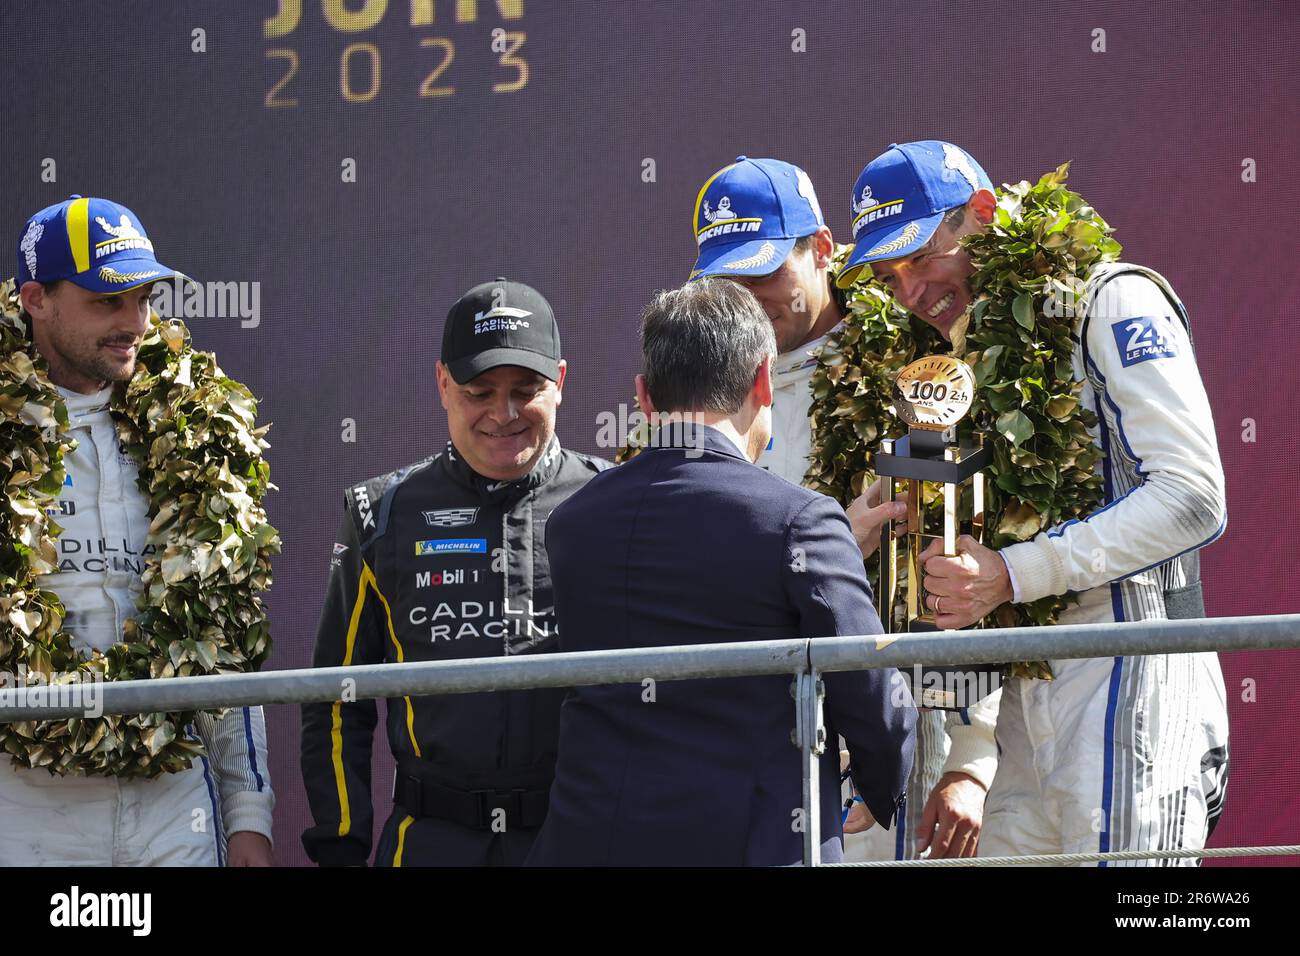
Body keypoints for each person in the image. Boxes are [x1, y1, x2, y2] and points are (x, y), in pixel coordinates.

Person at [837, 140, 1229, 864]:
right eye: (890, 277)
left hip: (1132, 665)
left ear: (983, 214)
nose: (910, 292)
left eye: (920, 257)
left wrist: (1015, 573)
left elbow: (1193, 496)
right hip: (1019, 694)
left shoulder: (1108, 300)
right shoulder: (952, 365)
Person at [526, 278, 915, 866]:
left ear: (644, 396)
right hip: (752, 845)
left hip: (589, 843)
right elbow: (870, 693)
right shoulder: (803, 521)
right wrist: (882, 783)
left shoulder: (572, 523)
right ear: (764, 380)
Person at [686, 155, 998, 860]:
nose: (746, 300)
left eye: (764, 272)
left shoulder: (915, 370)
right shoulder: (699, 390)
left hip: (895, 736)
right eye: (726, 280)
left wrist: (972, 756)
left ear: (823, 248)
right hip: (752, 746)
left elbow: (962, 568)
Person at [301, 278, 609, 867]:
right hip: (429, 842)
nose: (504, 413)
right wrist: (340, 848)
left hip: (575, 838)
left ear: (561, 382)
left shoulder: (612, 502)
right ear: (443, 384)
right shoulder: (379, 513)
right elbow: (336, 700)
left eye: (526, 390)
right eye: (478, 391)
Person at [3, 196, 274, 866]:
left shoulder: (197, 430)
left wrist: (248, 812)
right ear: (36, 300)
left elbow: (224, 642)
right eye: (107, 301)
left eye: (145, 298)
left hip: (172, 799)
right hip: (23, 803)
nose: (135, 322)